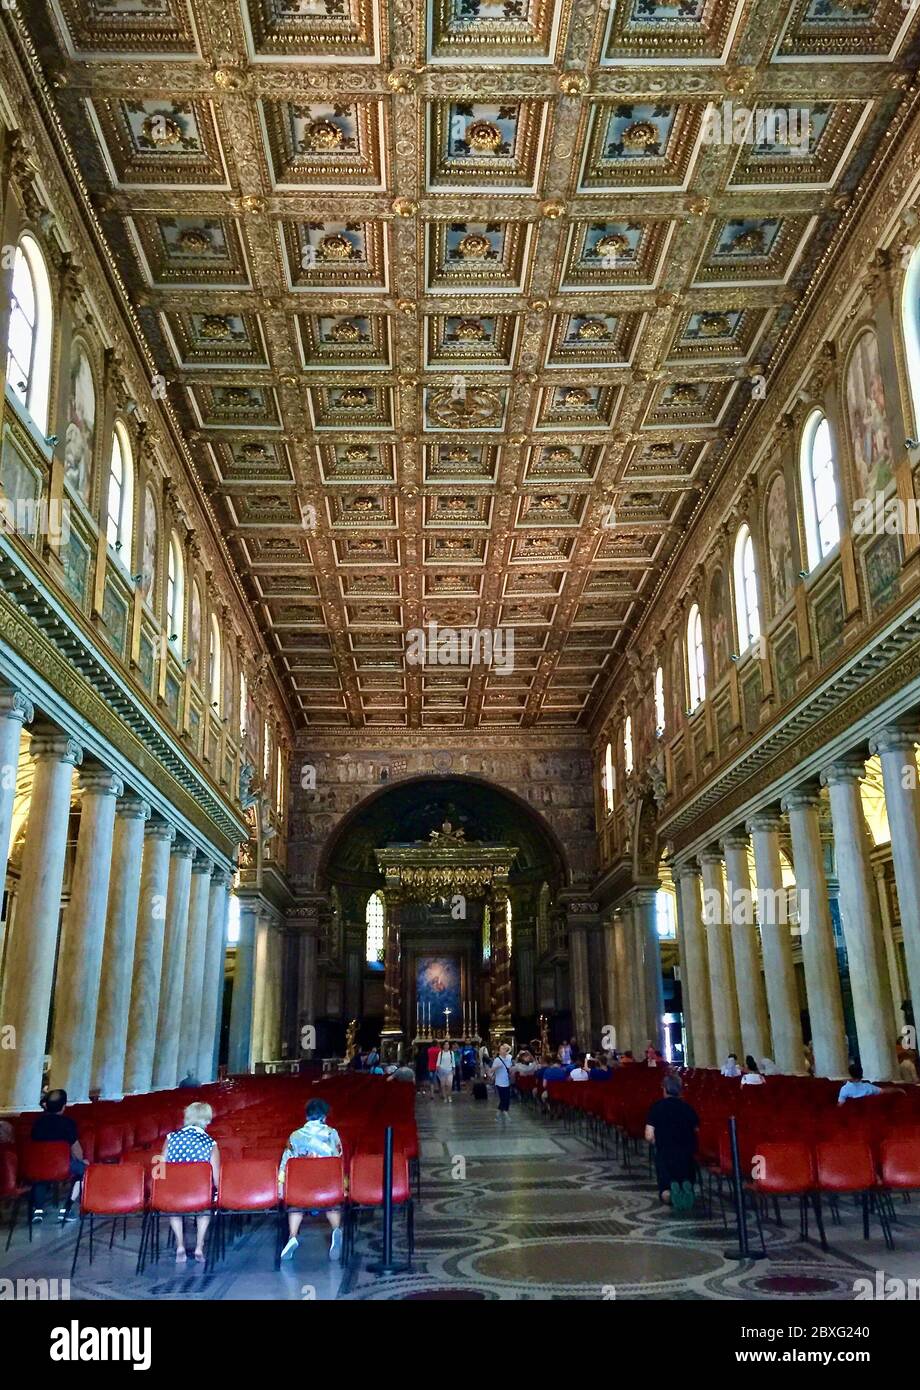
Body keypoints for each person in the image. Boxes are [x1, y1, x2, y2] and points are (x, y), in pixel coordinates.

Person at [279, 1098, 343, 1262]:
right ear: (324, 1116)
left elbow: (286, 1163)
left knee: (295, 1206)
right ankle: (336, 1229)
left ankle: (292, 1236)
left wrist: (281, 1186)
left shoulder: (295, 1135)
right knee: (333, 1203)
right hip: (327, 1187)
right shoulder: (332, 1134)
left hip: (301, 1188)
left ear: (307, 1116)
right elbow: (338, 1159)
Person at [161, 1101, 220, 1263]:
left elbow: (160, 1166)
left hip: (173, 1193)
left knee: (174, 1209)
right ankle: (199, 1246)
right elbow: (216, 1177)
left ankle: (180, 1245)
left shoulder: (170, 1138)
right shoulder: (210, 1143)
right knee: (205, 1210)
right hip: (199, 1194)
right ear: (206, 1119)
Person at [29, 1089, 86, 1223]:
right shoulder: (68, 1123)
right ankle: (66, 1209)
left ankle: (37, 1210)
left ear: (46, 1106)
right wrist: (82, 1161)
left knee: (40, 1176)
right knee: (83, 1172)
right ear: (63, 1106)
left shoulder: (37, 1123)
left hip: (38, 1165)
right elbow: (76, 1150)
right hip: (63, 1166)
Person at [644, 1075, 700, 1208]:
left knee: (665, 1185)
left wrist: (656, 1141)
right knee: (686, 1174)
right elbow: (697, 1130)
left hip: (665, 1153)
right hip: (686, 1155)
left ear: (664, 1089)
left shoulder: (656, 1108)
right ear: (680, 1090)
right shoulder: (688, 1108)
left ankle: (669, 1194)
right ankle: (686, 1186)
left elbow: (649, 1135)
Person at [489, 1042, 515, 1119]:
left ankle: (502, 1112)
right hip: (499, 1082)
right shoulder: (497, 1060)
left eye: (504, 1049)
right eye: (501, 1049)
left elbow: (511, 1067)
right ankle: (503, 1113)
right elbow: (491, 1071)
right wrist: (496, 1067)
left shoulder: (509, 1057)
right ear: (499, 1051)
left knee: (507, 1098)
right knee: (503, 1098)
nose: (503, 1051)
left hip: (507, 1081)